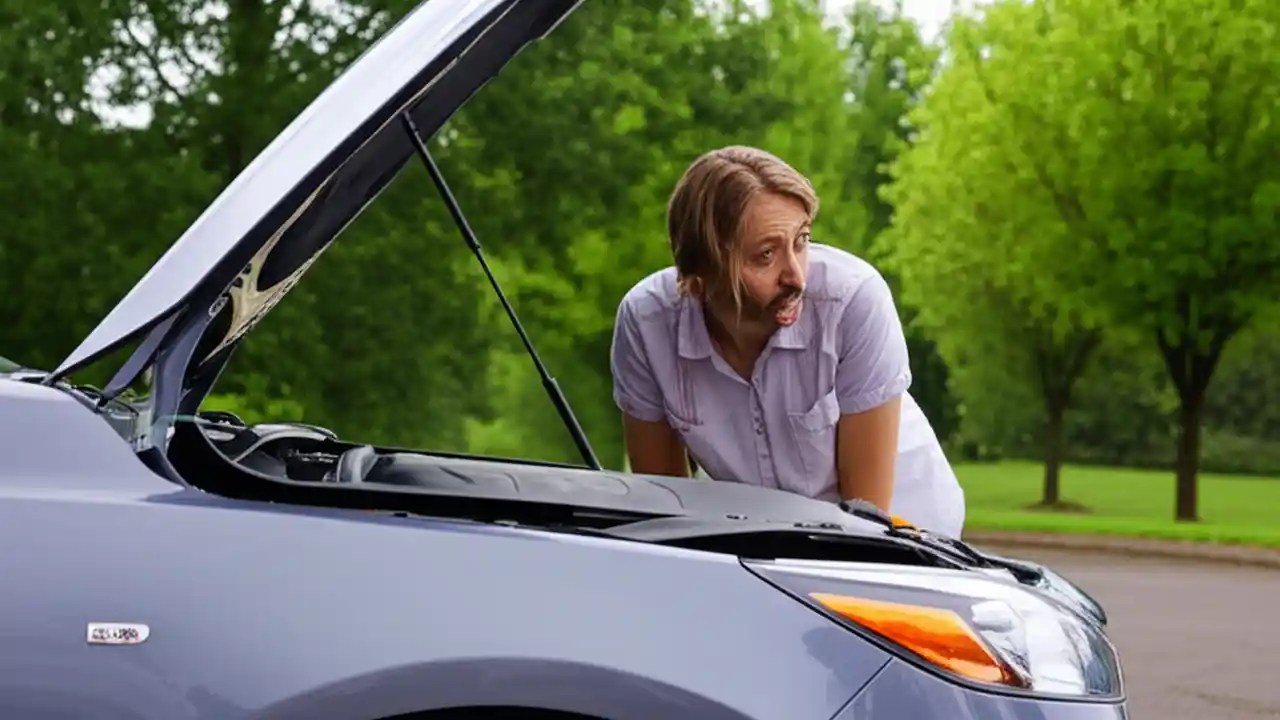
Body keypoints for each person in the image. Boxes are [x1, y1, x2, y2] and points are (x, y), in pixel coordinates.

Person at [609, 145, 965, 538]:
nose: (796, 276)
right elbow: (667, 509)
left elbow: (868, 525)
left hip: (907, 541)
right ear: (700, 276)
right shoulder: (646, 325)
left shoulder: (853, 303)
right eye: (765, 256)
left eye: (801, 240)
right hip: (767, 546)